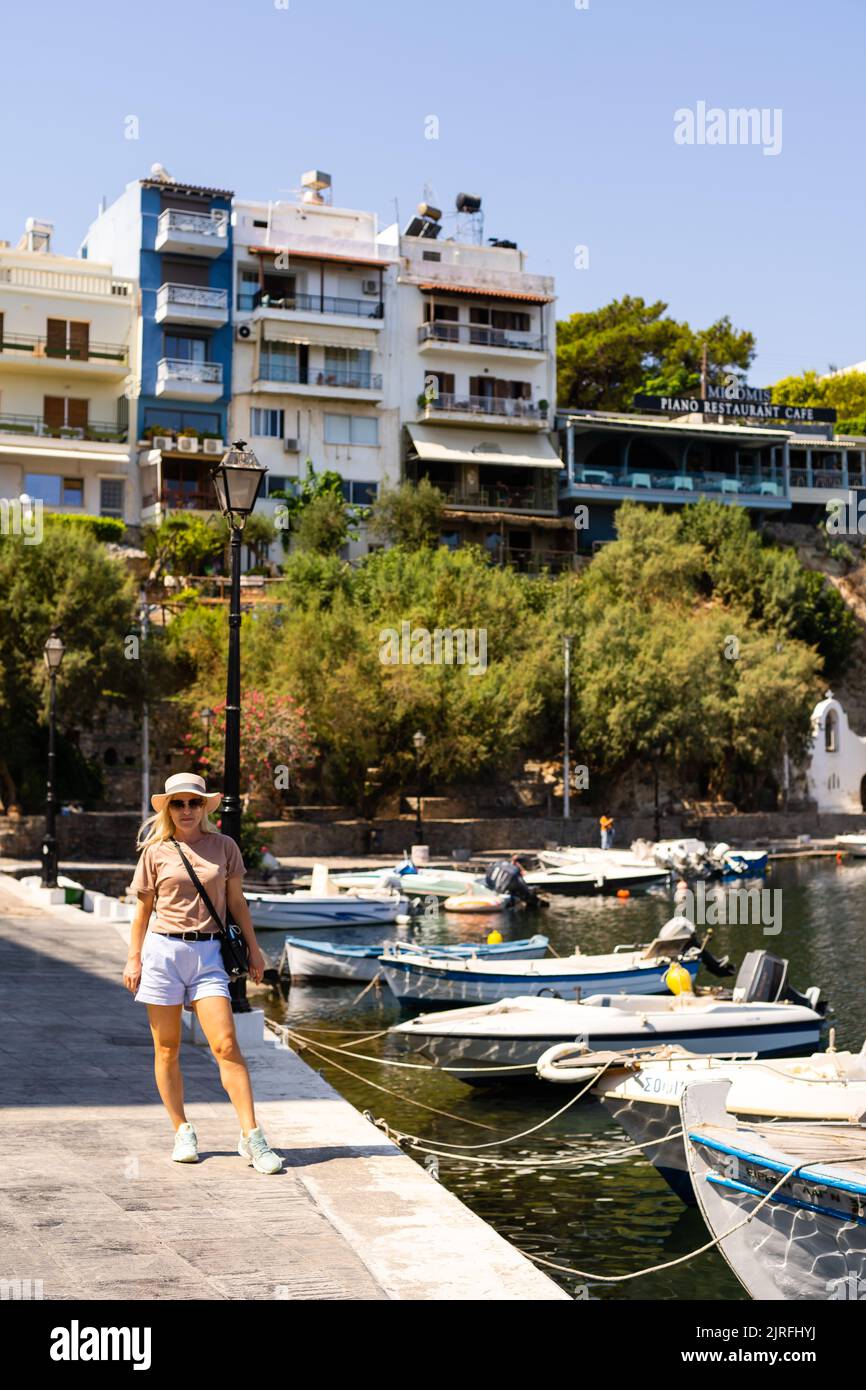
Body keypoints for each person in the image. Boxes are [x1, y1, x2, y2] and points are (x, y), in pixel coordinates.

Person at [123, 773, 283, 1174]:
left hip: (209, 953)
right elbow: (142, 911)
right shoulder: (155, 852)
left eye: (194, 803)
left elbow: (237, 903)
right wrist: (134, 957)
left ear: (205, 807)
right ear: (168, 809)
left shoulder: (224, 847)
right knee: (167, 1049)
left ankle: (252, 1136)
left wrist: (255, 950)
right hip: (163, 953)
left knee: (226, 1045)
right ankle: (182, 1130)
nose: (187, 810)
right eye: (179, 804)